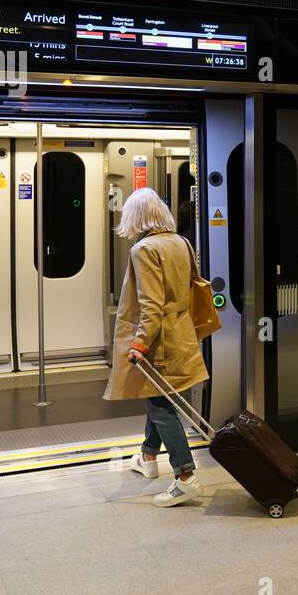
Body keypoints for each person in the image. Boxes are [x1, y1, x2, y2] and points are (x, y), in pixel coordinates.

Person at [104, 187, 210, 507]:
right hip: (182, 333)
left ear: (136, 217)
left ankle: (186, 476)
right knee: (159, 396)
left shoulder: (144, 249)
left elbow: (151, 305)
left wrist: (139, 343)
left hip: (159, 338)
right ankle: (148, 457)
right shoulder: (181, 242)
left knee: (161, 407)